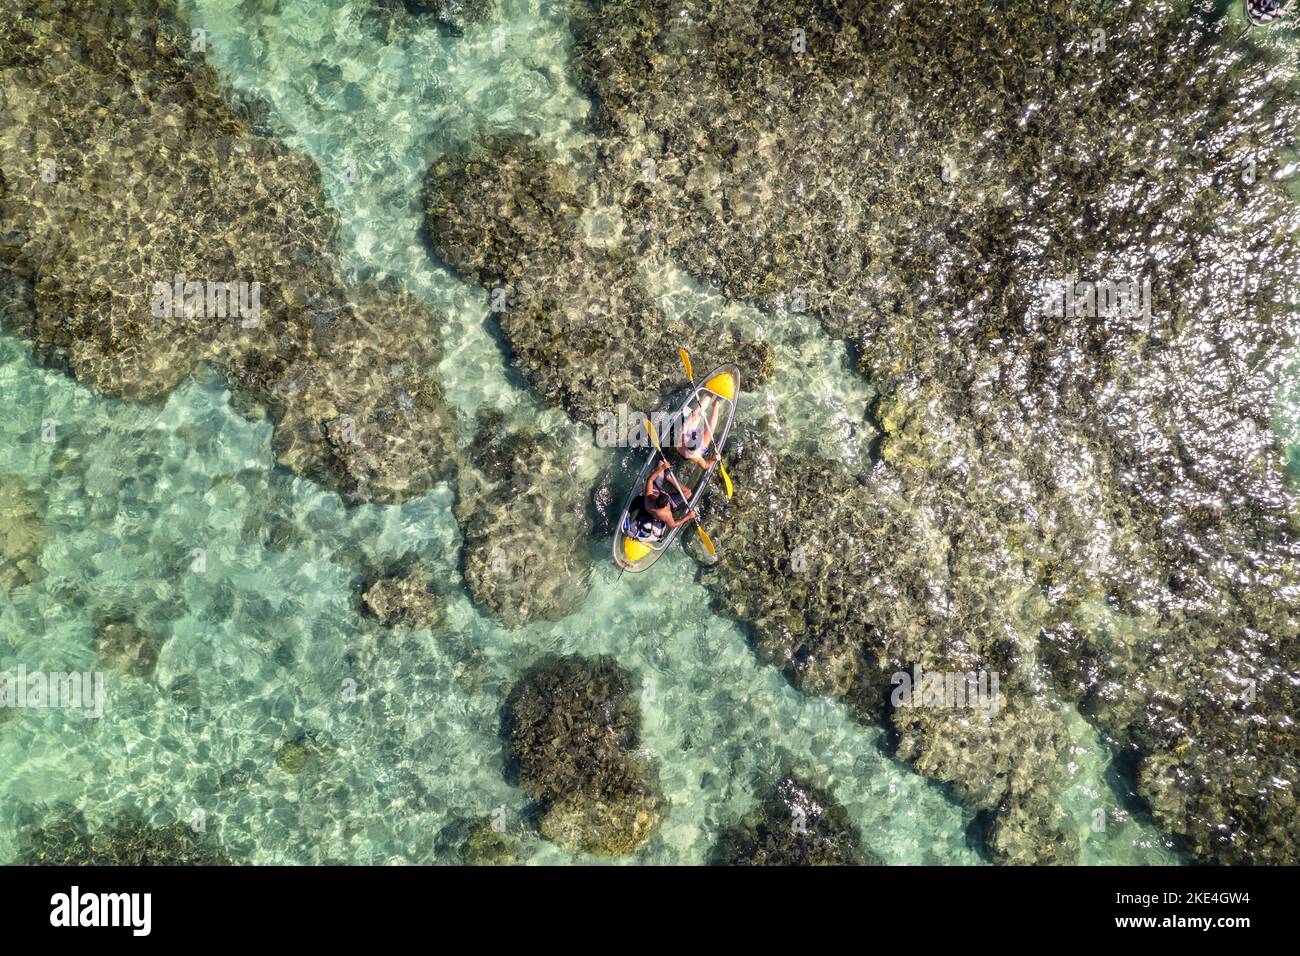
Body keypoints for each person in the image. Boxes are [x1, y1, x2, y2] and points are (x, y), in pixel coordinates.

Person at [625, 460, 697, 542]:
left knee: (661, 463)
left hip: (656, 491)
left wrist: (662, 468)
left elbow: (650, 480)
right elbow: (673, 525)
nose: (664, 493)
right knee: (688, 493)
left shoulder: (649, 498)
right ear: (666, 504)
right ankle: (669, 478)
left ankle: (666, 475)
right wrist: (688, 517)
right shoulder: (666, 514)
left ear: (657, 498)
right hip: (668, 502)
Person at [675, 401, 722, 470]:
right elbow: (705, 466)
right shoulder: (696, 456)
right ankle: (716, 403)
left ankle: (709, 395)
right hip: (700, 448)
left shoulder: (682, 439)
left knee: (696, 413)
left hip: (687, 441)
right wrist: (714, 459)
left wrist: (698, 415)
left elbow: (686, 425)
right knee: (711, 427)